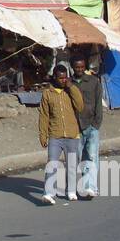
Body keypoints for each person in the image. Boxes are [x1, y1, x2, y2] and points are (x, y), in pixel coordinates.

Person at [39, 64, 84, 204]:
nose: (63, 80)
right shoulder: (48, 93)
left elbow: (80, 106)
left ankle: (71, 190)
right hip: (55, 134)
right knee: (52, 163)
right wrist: (43, 134)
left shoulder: (71, 90)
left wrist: (71, 87)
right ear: (55, 77)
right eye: (60, 78)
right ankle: (48, 193)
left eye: (65, 78)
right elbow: (44, 115)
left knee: (71, 164)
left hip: (72, 134)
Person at [71, 57, 104, 198]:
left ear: (84, 67)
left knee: (92, 156)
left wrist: (96, 123)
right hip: (76, 126)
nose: (79, 69)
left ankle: (91, 187)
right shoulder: (69, 84)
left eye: (81, 67)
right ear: (72, 67)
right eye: (76, 67)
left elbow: (98, 103)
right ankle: (86, 185)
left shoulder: (93, 82)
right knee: (81, 157)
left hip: (91, 125)